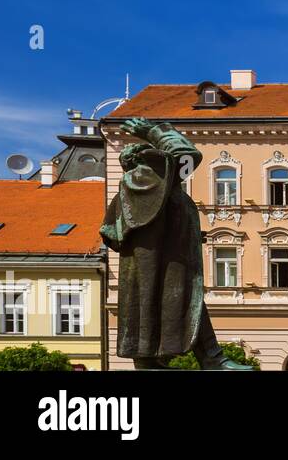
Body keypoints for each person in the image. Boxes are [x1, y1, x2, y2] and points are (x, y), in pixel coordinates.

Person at [100, 117, 254, 370]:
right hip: (170, 263)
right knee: (187, 301)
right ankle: (211, 360)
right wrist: (152, 132)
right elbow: (186, 153)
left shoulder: (133, 191)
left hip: (157, 266)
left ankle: (151, 361)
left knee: (170, 304)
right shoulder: (154, 181)